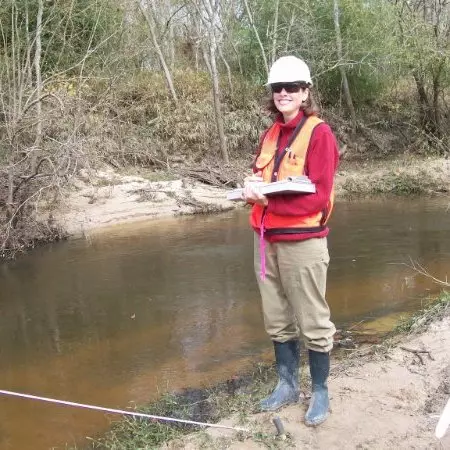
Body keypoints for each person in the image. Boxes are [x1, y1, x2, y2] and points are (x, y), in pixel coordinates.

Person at [242, 55, 339, 426]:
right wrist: (251, 187)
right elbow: (262, 175)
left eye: (292, 87)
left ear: (305, 91)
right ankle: (286, 385)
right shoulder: (270, 133)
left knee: (313, 320)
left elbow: (318, 196)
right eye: (277, 88)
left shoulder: (321, 133)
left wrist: (269, 199)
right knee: (276, 318)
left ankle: (320, 392)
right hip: (265, 239)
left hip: (303, 242)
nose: (283, 93)